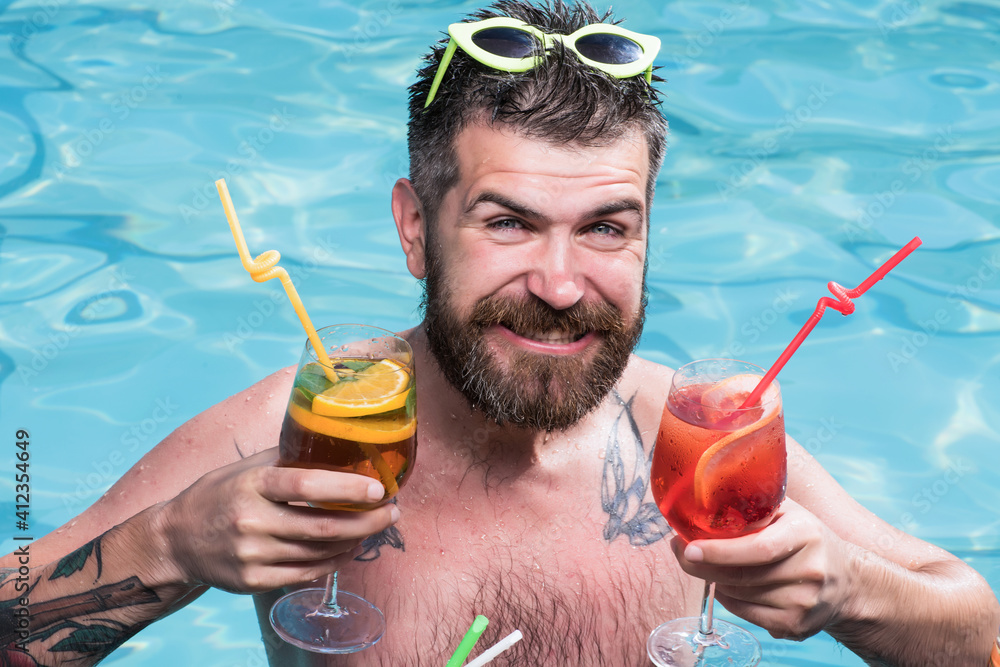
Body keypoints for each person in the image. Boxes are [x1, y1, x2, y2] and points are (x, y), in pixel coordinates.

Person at [3, 1, 998, 665]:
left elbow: (979, 630)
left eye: (606, 226)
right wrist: (173, 541)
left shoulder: (686, 438)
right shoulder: (302, 432)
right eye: (507, 221)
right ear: (412, 227)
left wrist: (846, 590)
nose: (561, 285)